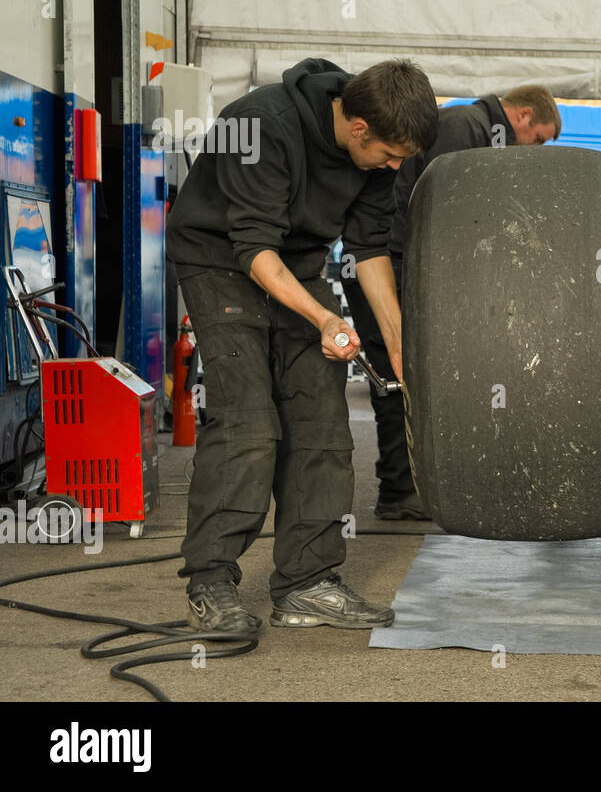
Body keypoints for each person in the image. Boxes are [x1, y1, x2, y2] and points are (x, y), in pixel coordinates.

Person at [166, 57, 439, 632]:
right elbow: (254, 250)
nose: (394, 167)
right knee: (249, 422)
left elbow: (369, 251)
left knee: (321, 423)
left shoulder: (381, 148)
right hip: (221, 261)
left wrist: (399, 347)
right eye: (390, 156)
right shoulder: (261, 125)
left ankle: (306, 583)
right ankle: (211, 580)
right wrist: (323, 318)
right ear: (358, 128)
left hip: (297, 263)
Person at [343, 86, 560, 519]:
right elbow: (447, 208)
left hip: (399, 255)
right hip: (392, 260)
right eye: (537, 138)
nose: (533, 150)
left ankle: (413, 485)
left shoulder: (473, 127)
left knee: (415, 373)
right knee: (399, 371)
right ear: (523, 114)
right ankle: (399, 490)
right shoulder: (465, 128)